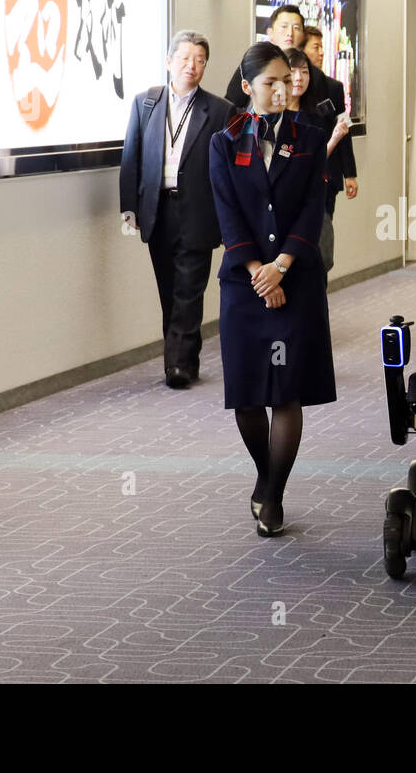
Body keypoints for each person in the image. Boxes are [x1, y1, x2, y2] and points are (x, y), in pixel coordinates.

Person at [208, 42, 335, 537]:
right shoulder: (225, 141)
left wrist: (282, 265)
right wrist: (259, 271)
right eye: (270, 82)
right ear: (247, 88)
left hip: (296, 278)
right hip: (245, 282)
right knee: (246, 393)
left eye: (288, 79)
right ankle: (264, 475)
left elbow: (312, 206)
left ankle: (275, 494)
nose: (283, 89)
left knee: (286, 393)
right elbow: (228, 212)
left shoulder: (310, 136)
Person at [120, 30, 233, 389]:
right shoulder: (146, 103)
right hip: (157, 210)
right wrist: (129, 208)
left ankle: (179, 365)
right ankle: (183, 356)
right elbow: (131, 158)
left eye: (200, 60)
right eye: (185, 58)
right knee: (169, 289)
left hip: (198, 212)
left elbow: (227, 170)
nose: (192, 66)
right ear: (169, 62)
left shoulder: (218, 111)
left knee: (189, 289)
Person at [299, 26, 359, 273]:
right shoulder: (289, 91)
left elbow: (344, 132)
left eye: (322, 47)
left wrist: (350, 174)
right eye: (315, 47)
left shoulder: (332, 88)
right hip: (298, 175)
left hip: (326, 175)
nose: (321, 52)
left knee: (321, 239)